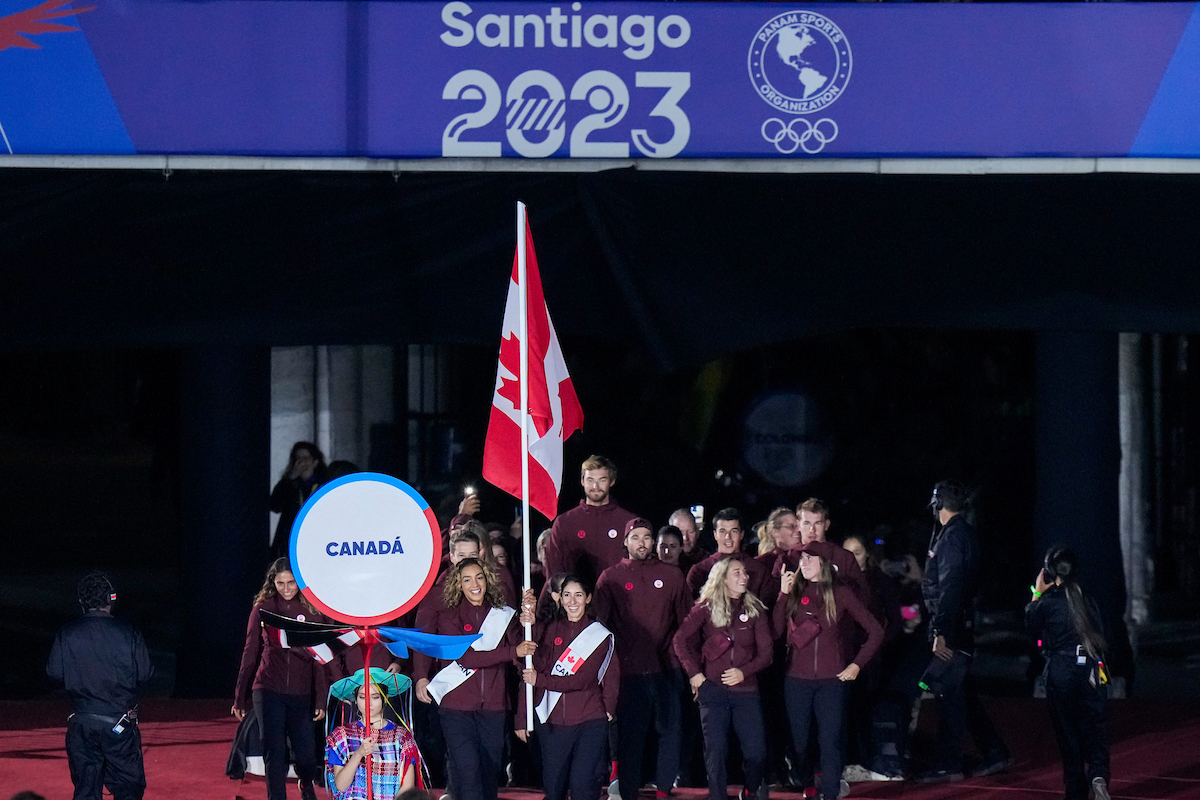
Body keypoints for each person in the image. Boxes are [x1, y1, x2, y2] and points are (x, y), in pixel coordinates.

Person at [775, 541, 884, 800]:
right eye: (802, 560)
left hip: (831, 681)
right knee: (799, 742)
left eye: (810, 559)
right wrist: (782, 594)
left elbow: (876, 631)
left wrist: (856, 665)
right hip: (796, 680)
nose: (804, 564)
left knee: (830, 740)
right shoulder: (793, 591)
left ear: (824, 563)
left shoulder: (841, 593)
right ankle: (808, 784)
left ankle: (831, 792)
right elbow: (775, 632)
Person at [917, 481, 1009, 783]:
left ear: (937, 504)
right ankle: (994, 751)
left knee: (949, 696)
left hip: (952, 628)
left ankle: (948, 763)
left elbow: (951, 586)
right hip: (960, 624)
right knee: (962, 694)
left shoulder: (953, 537)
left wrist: (942, 631)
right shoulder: (963, 534)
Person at [594, 518, 691, 800]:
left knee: (670, 733)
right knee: (631, 740)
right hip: (628, 672)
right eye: (636, 537)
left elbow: (686, 623)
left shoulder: (672, 576)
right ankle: (627, 793)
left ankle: (663, 791)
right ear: (625, 542)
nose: (642, 543)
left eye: (647, 537)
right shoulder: (610, 578)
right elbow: (601, 625)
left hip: (666, 670)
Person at [421, 559, 533, 800]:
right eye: (467, 579)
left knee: (488, 775)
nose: (475, 584)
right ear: (458, 585)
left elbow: (523, 651)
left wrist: (528, 623)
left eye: (479, 577)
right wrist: (512, 652)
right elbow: (466, 659)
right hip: (456, 708)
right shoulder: (450, 615)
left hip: (494, 708)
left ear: (487, 579)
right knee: (468, 771)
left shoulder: (502, 614)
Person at [46, 571, 154, 800]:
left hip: (82, 722)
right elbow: (145, 674)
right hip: (119, 723)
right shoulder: (128, 633)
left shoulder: (68, 633)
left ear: (82, 602)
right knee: (128, 789)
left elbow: (54, 673)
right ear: (110, 600)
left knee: (86, 790)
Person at [673, 558, 772, 800]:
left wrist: (744, 671)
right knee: (716, 752)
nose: (744, 577)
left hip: (746, 692)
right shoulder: (705, 608)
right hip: (713, 692)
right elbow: (679, 640)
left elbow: (767, 654)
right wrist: (694, 674)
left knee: (756, 753)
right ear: (722, 578)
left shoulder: (755, 610)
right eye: (736, 572)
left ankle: (750, 790)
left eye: (745, 572)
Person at [233, 558, 328, 800]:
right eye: (280, 583)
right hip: (267, 689)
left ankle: (306, 783)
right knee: (274, 753)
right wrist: (240, 698)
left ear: (300, 582)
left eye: (291, 583)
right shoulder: (263, 608)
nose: (286, 589)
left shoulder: (312, 610)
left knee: (306, 755)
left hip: (301, 692)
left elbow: (320, 657)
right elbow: (250, 652)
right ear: (272, 583)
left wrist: (320, 698)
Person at [518, 576, 619, 800]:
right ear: (559, 599)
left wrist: (608, 705)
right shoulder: (549, 630)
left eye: (578, 595)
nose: (573, 601)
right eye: (567, 595)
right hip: (553, 724)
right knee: (554, 789)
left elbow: (583, 680)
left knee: (583, 785)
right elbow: (528, 663)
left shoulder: (598, 635)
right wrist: (529, 625)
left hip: (589, 721)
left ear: (588, 598)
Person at [1027, 547, 1111, 800]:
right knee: (1095, 726)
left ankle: (1076, 789)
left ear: (1051, 572)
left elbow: (1031, 626)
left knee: (1068, 730)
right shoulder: (1089, 599)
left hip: (1062, 669)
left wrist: (1036, 592)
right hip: (1091, 668)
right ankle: (1098, 775)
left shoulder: (1047, 603)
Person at [544, 456, 638, 589]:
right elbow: (554, 570)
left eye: (602, 480)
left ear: (611, 481)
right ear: (582, 481)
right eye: (590, 480)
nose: (595, 486)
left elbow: (639, 567)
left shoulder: (628, 522)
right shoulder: (565, 523)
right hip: (576, 604)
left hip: (618, 602)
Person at [325, 673, 422, 800]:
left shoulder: (401, 737)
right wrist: (359, 754)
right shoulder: (341, 736)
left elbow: (407, 787)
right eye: (362, 697)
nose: (368, 703)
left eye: (375, 697)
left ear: (385, 698)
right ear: (355, 699)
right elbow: (341, 786)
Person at [685, 509, 768, 600]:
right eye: (722, 531)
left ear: (741, 535)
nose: (728, 537)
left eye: (733, 531)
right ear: (715, 534)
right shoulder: (699, 571)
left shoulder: (759, 569)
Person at [269, 442, 327, 561]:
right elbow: (275, 506)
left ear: (315, 462)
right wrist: (291, 477)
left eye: (305, 458)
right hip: (290, 541)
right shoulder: (290, 485)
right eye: (298, 458)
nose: (301, 462)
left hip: (316, 540)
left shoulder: (324, 484)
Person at [669, 508, 710, 573]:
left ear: (697, 533)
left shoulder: (708, 562)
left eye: (690, 532)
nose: (685, 538)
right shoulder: (663, 561)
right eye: (680, 533)